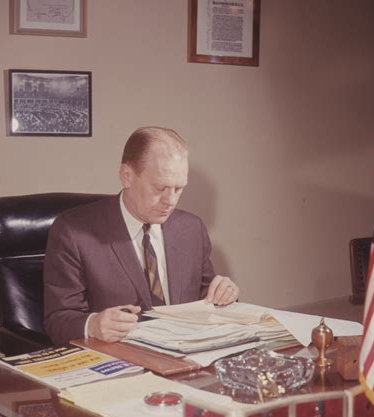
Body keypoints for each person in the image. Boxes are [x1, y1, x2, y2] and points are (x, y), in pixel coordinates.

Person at [44, 126, 240, 345]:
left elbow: (205, 296)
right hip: (120, 363)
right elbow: (57, 320)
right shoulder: (73, 231)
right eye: (160, 188)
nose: (171, 201)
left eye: (179, 189)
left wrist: (223, 295)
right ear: (127, 176)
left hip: (186, 359)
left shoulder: (191, 229)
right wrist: (93, 324)